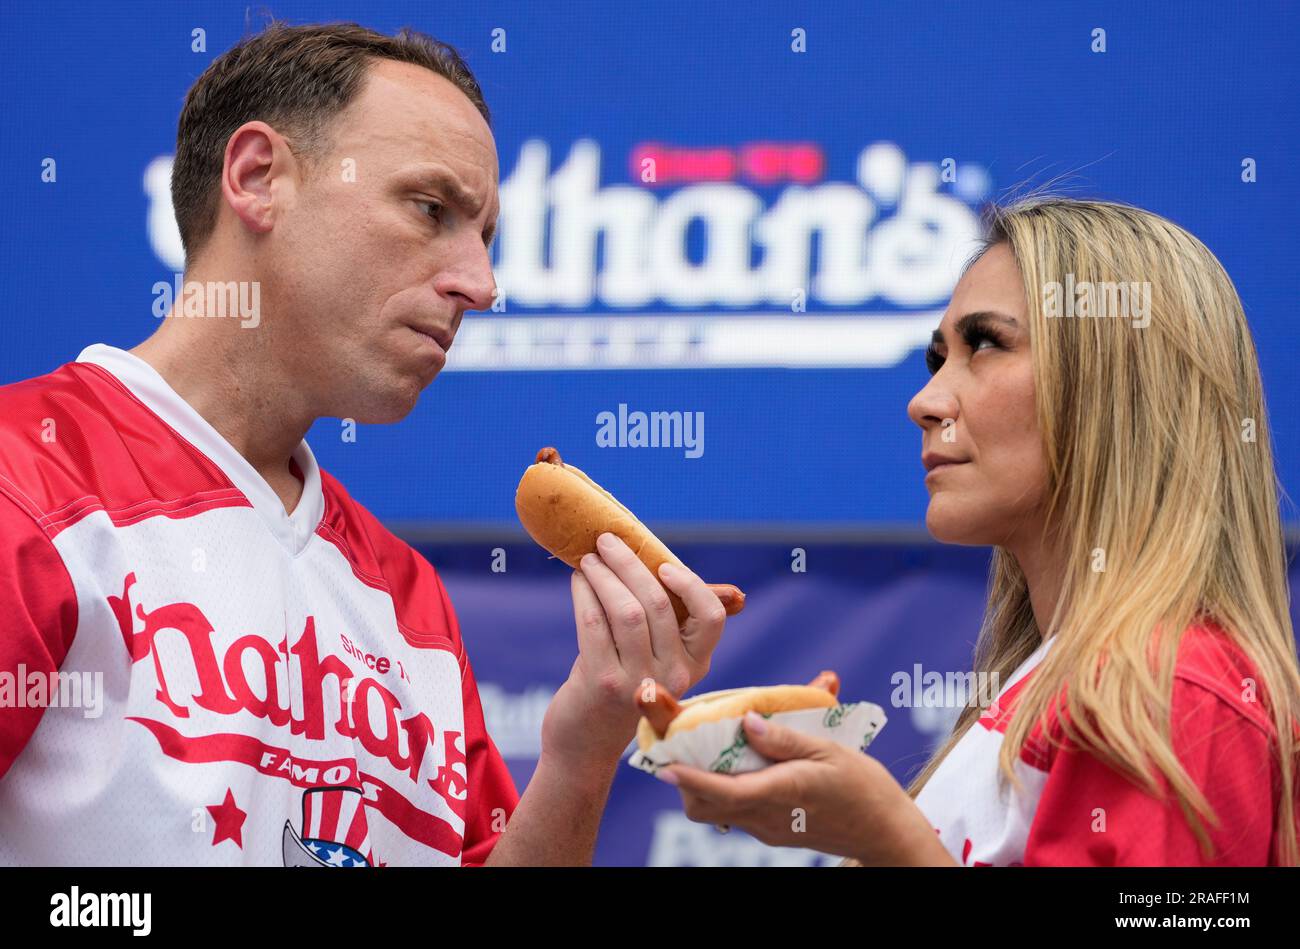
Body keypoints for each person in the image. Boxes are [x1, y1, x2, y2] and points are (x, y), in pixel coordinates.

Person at [0, 21, 727, 866]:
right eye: (431, 210)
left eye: (484, 236)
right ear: (258, 178)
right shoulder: (25, 477)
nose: (482, 286)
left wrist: (585, 747)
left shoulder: (405, 594)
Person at [655, 197, 1300, 866]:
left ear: (1121, 382)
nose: (925, 401)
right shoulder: (1055, 681)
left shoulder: (1175, 689)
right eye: (938, 359)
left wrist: (887, 839)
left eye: (986, 343)